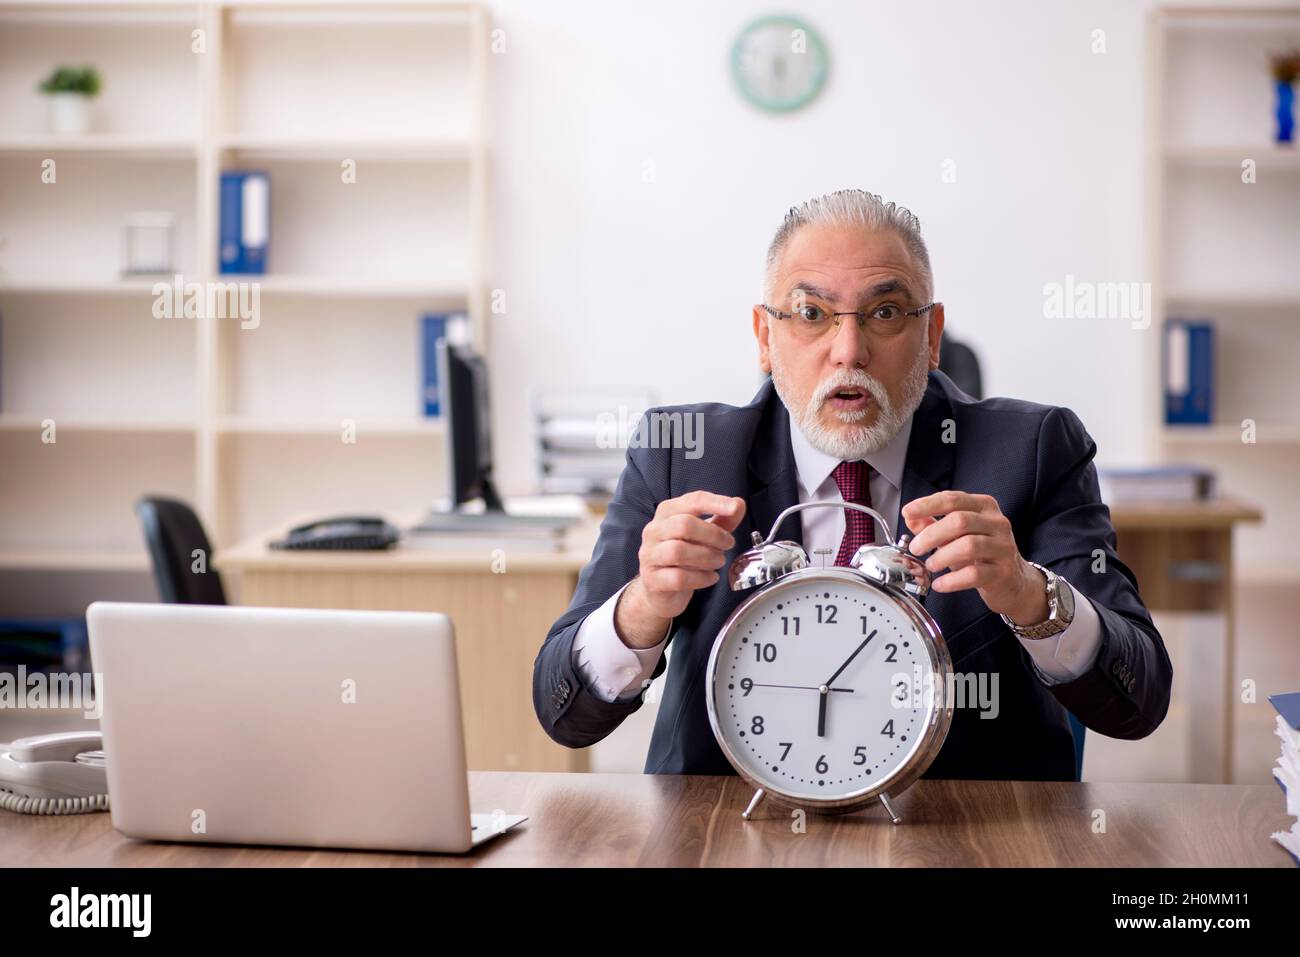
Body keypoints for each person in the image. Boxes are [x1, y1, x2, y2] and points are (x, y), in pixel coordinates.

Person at [532, 189, 1172, 780]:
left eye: (886, 312)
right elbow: (565, 715)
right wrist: (644, 605)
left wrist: (1030, 595)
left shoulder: (1033, 451)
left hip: (968, 832)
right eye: (811, 313)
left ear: (931, 336)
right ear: (765, 336)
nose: (847, 350)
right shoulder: (682, 456)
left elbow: (1137, 703)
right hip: (728, 829)